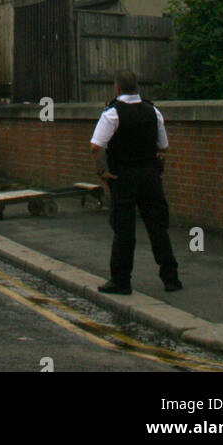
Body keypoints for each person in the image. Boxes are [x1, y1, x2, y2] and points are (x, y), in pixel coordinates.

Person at [90, 69, 182, 295]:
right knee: (158, 228)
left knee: (124, 230)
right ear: (137, 87)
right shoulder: (153, 112)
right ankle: (171, 278)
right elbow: (164, 147)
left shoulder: (112, 114)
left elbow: (95, 146)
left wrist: (102, 171)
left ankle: (121, 281)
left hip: (123, 178)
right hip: (150, 176)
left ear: (117, 88)